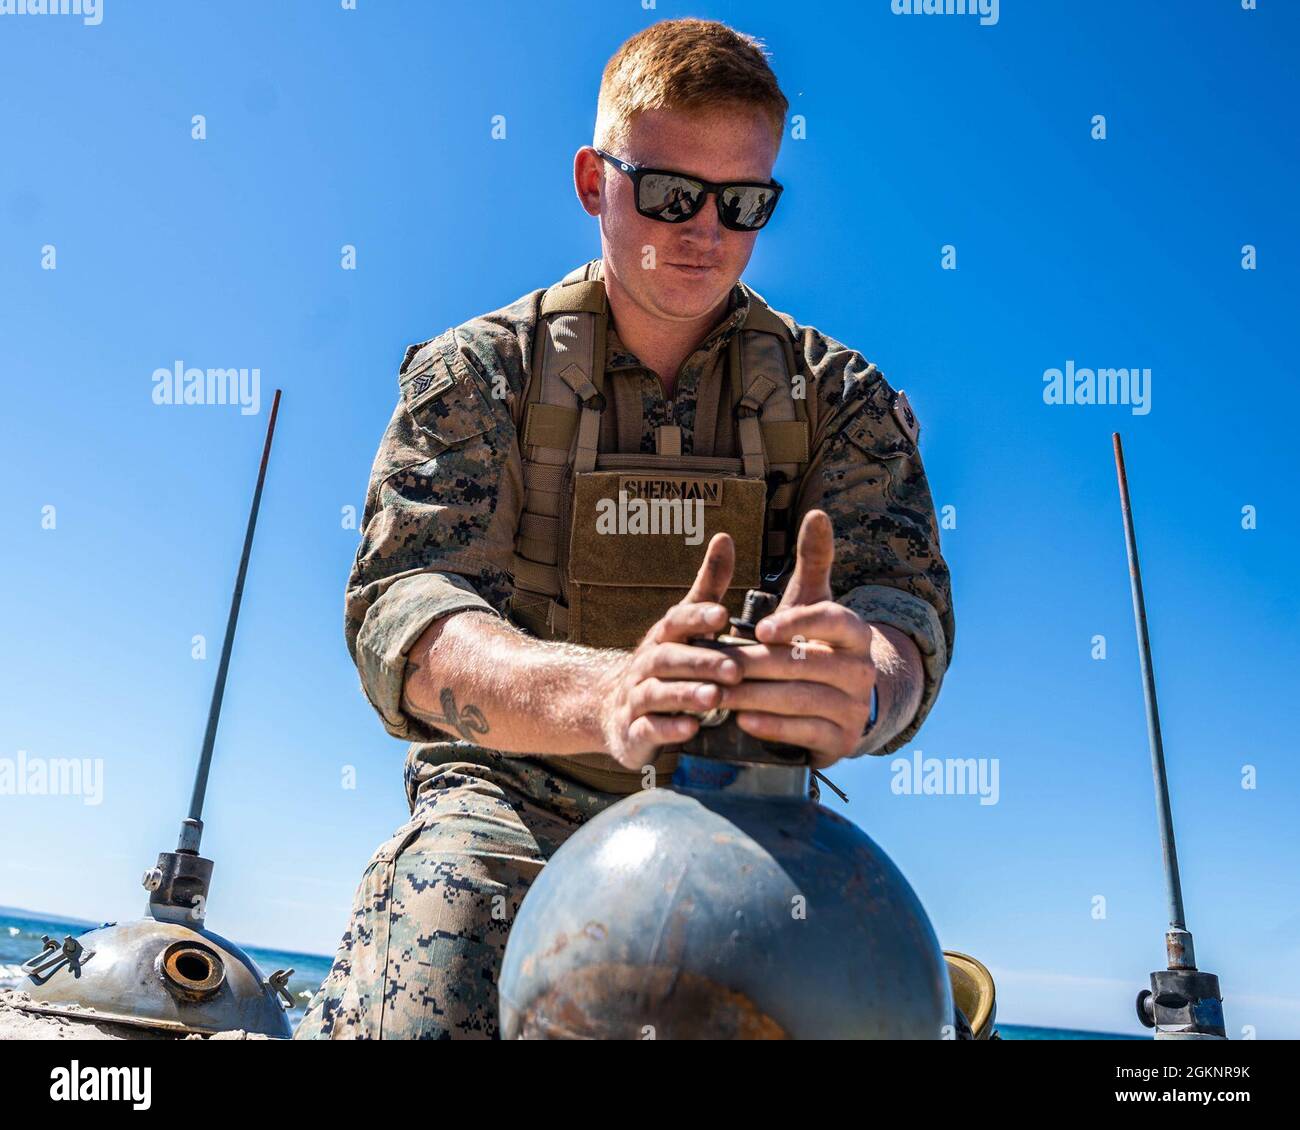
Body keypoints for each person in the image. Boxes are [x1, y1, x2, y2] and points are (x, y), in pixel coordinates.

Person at [296, 16, 956, 1040]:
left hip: (746, 814)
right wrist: (606, 693)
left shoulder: (839, 399)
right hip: (510, 798)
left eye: (743, 204)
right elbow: (408, 616)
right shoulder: (477, 375)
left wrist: (861, 685)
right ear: (592, 181)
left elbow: (897, 603)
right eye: (668, 193)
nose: (704, 229)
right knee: (443, 934)